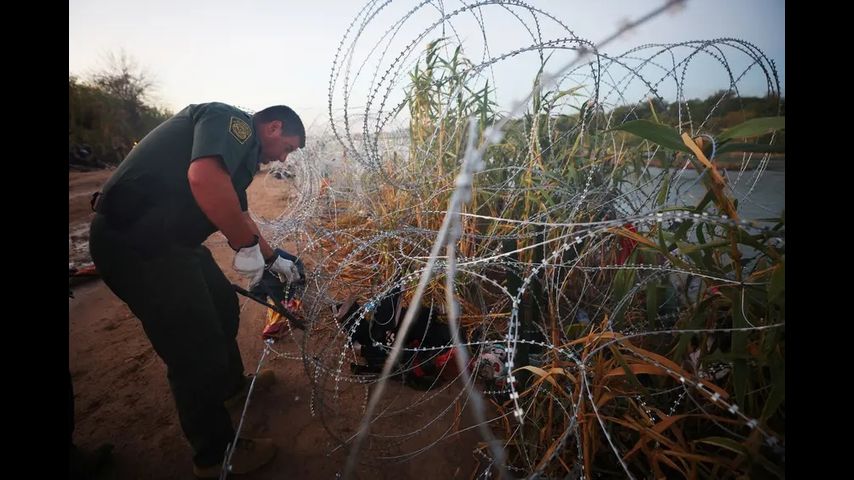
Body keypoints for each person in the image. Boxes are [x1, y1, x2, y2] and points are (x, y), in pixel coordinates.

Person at [89, 102, 305, 477]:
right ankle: (215, 454)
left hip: (173, 244)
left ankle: (230, 387)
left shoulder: (237, 159)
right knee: (193, 346)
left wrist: (273, 259)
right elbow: (203, 179)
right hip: (136, 246)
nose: (283, 156)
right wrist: (246, 248)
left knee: (222, 304)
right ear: (272, 127)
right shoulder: (231, 122)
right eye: (287, 146)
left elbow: (239, 215)